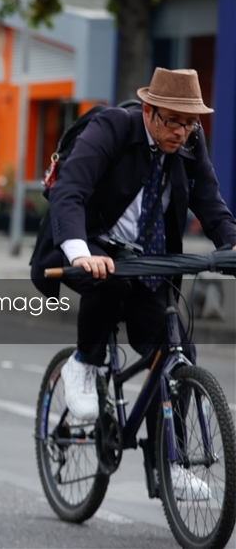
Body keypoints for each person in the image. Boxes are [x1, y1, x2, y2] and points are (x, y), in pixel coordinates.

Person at [31, 67, 236, 500]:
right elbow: (70, 191)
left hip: (150, 258)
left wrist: (232, 246)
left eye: (191, 122)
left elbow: (210, 203)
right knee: (108, 283)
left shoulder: (189, 143)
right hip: (90, 242)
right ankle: (84, 363)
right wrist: (79, 252)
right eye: (173, 121)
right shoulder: (111, 127)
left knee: (178, 353)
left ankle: (170, 463)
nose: (182, 132)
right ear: (149, 110)